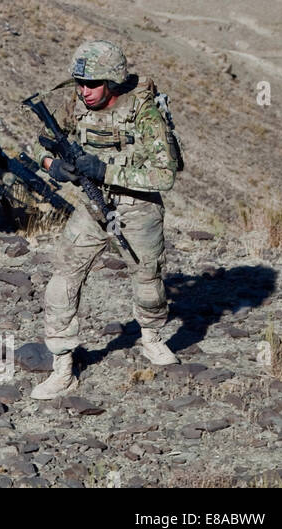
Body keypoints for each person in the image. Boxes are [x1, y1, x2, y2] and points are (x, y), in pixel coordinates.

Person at [28, 40, 181, 400]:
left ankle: (151, 338)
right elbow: (39, 144)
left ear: (112, 82)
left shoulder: (144, 113)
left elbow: (164, 176)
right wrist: (54, 166)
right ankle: (63, 366)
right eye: (80, 83)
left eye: (92, 84)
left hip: (138, 208)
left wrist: (106, 170)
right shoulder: (75, 105)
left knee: (148, 280)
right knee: (63, 277)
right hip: (92, 209)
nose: (84, 91)